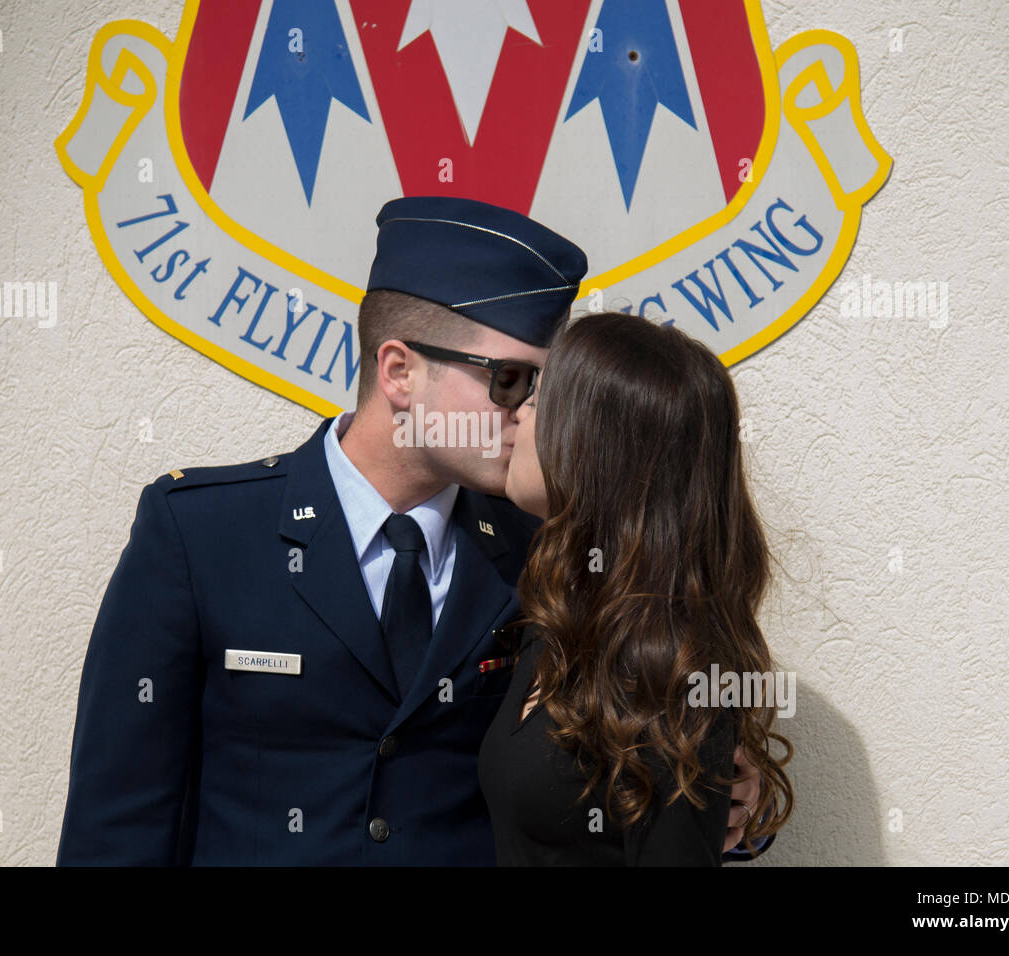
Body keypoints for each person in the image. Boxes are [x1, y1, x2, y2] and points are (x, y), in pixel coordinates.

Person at [56, 195, 769, 865]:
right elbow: (117, 822)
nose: (531, 417)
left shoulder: (543, 555)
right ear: (399, 372)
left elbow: (621, 769)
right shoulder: (202, 534)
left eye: (544, 391)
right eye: (511, 381)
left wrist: (728, 803)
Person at [478, 312, 793, 864]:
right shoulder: (560, 611)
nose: (516, 416)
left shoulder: (666, 672)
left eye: (538, 399)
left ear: (594, 446)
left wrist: (724, 805)